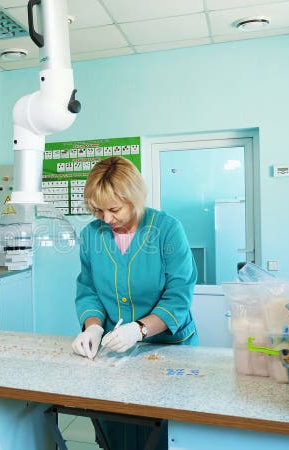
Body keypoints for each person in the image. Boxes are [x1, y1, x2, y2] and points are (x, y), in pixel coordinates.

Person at [71, 156, 198, 449]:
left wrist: (139, 330)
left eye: (114, 209)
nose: (106, 218)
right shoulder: (92, 234)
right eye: (98, 209)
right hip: (115, 352)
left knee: (164, 435)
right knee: (116, 431)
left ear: (134, 199)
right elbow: (88, 288)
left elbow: (179, 295)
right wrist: (92, 328)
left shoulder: (167, 229)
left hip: (168, 348)